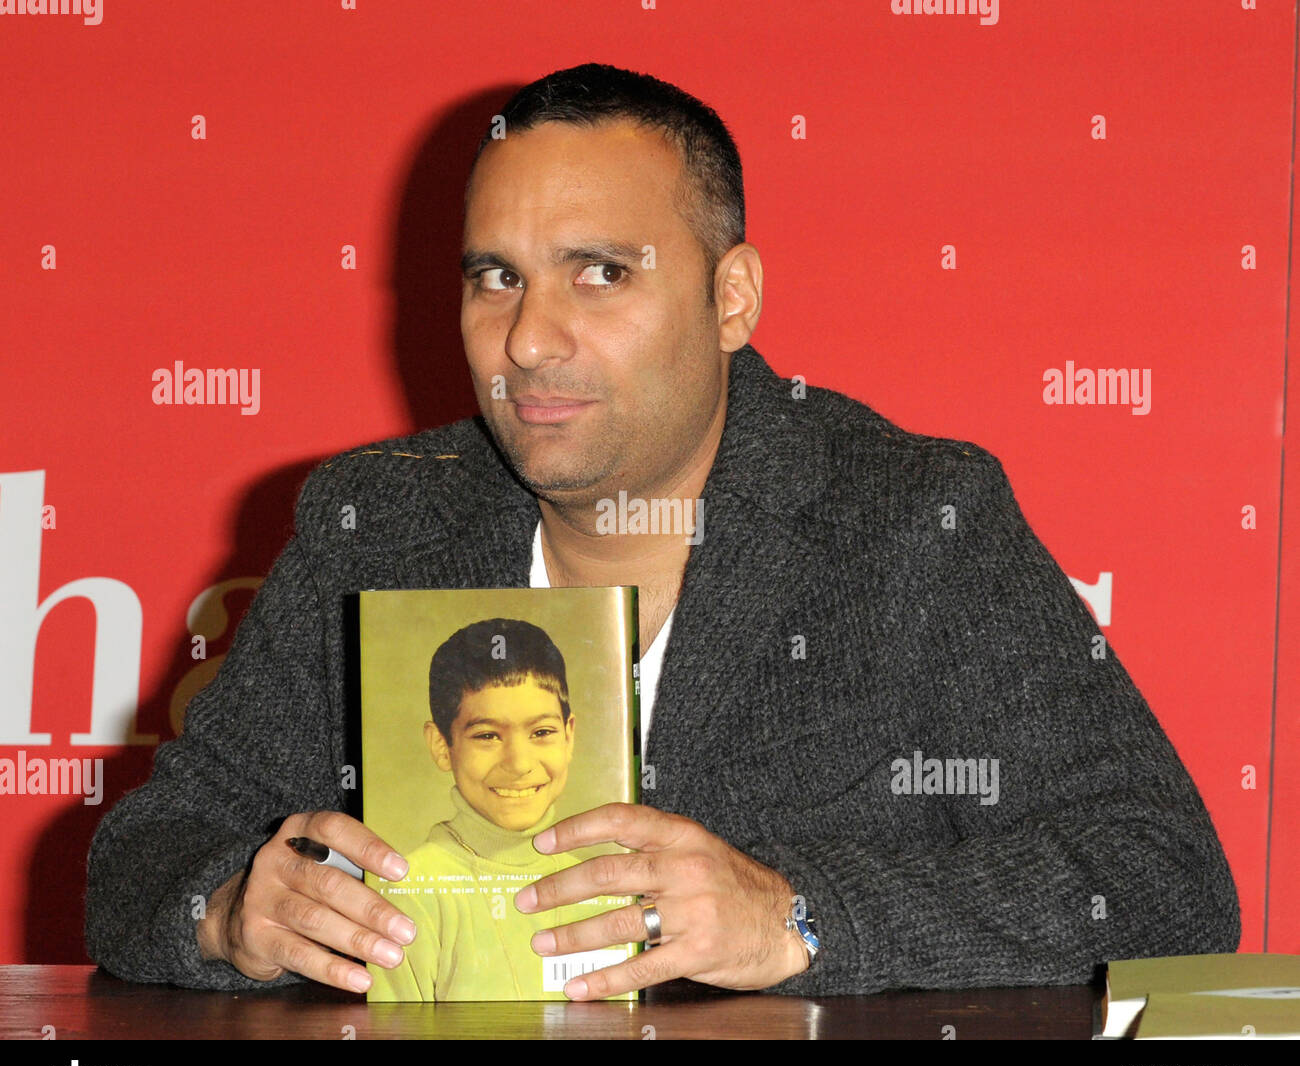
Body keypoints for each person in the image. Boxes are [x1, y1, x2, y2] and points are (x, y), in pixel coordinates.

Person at [86, 62, 1240, 1002]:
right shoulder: (376, 520)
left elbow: (1163, 878)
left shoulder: (911, 520)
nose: (529, 338)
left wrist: (796, 915)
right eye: (495, 277)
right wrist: (227, 909)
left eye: (600, 273)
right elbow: (143, 854)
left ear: (731, 298)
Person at [367, 618, 634, 1001]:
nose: (519, 763)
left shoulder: (602, 888)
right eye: (487, 736)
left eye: (541, 732)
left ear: (569, 736)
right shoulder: (412, 892)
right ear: (442, 746)